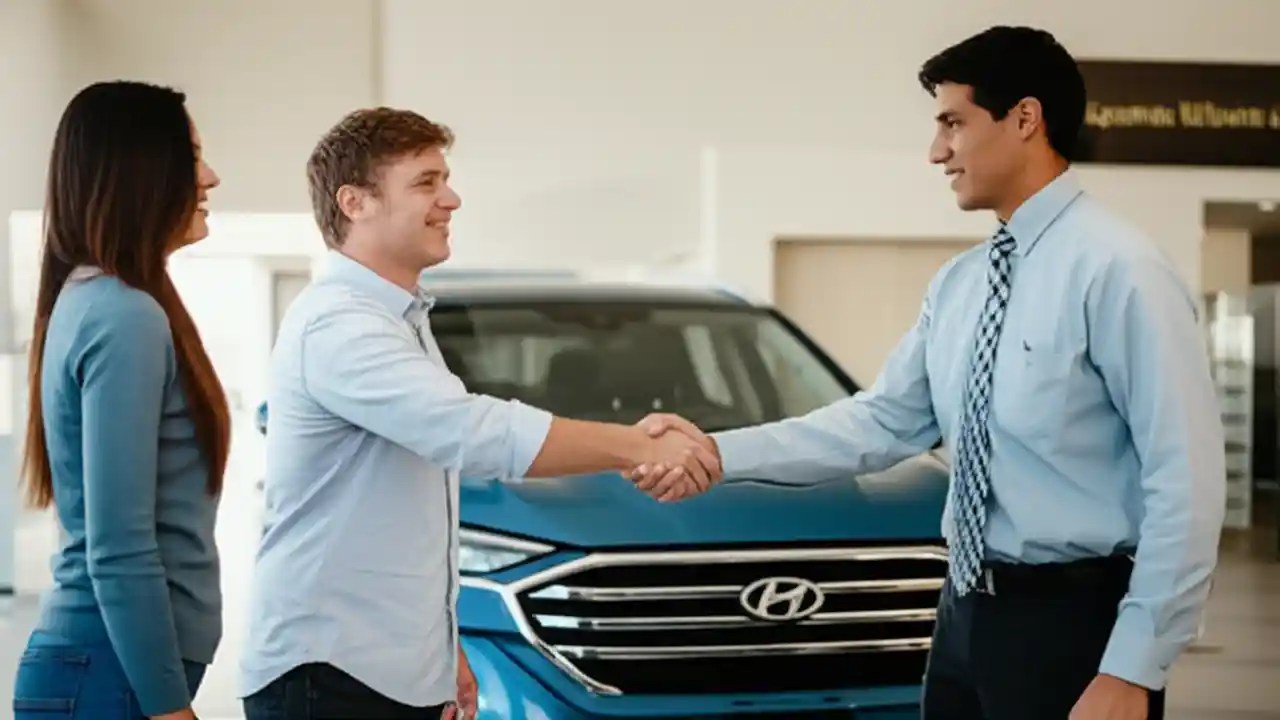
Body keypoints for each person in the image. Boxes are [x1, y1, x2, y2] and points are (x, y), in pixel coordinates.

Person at [633, 25, 1225, 720]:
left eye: (953, 123)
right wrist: (714, 451)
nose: (936, 151)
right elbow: (878, 423)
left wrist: (1133, 667)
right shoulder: (960, 284)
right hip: (962, 617)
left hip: (1075, 628)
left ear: (1025, 119)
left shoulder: (1122, 271)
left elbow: (1185, 481)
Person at [237, 107, 716, 719]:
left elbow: (404, 521)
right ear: (354, 203)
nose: (451, 199)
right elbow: (472, 432)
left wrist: (438, 647)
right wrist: (640, 447)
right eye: (426, 182)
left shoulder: (398, 317)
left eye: (446, 180)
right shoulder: (340, 325)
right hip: (329, 675)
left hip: (382, 667)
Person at [12, 81, 228, 720]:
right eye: (191, 159)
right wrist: (169, 709)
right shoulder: (124, 314)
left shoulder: (102, 301)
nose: (210, 178)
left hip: (103, 670)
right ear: (139, 172)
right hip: (106, 674)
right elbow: (120, 545)